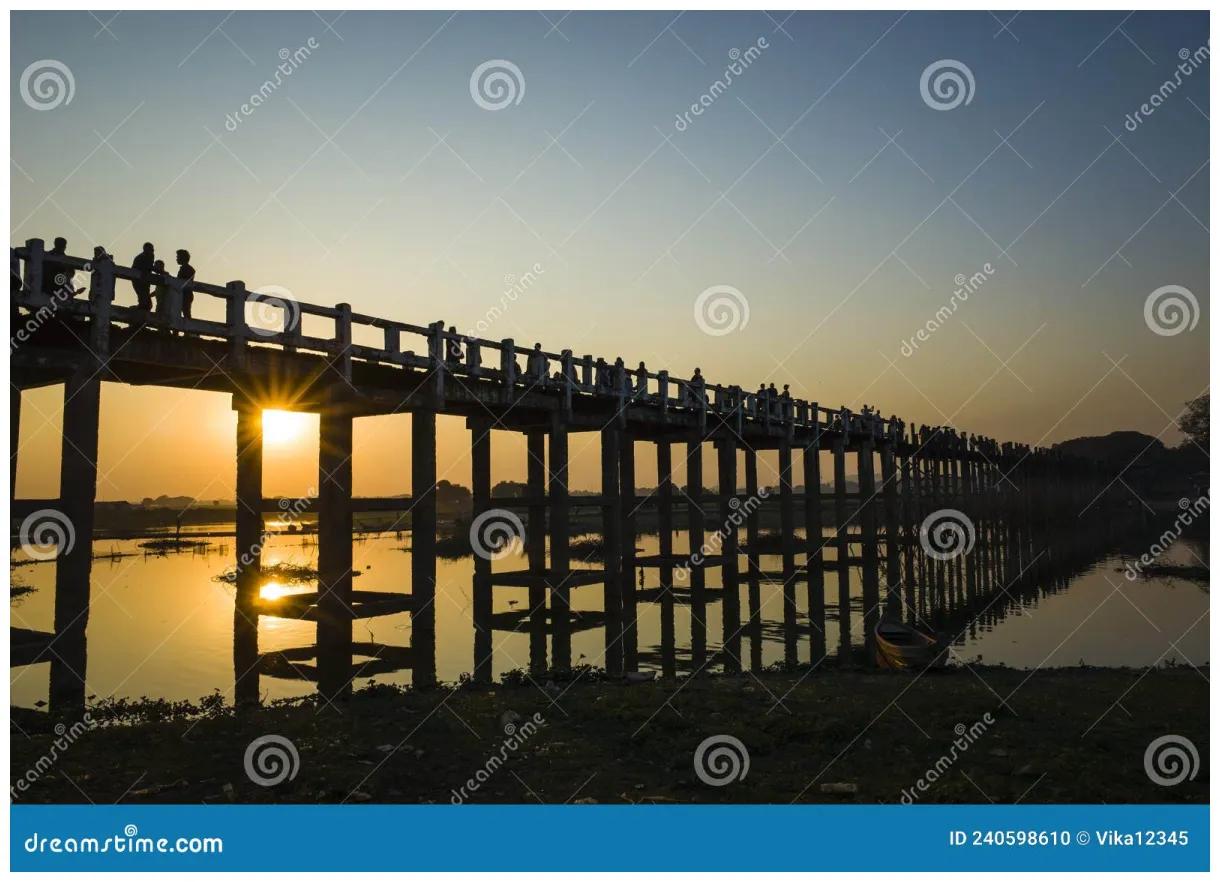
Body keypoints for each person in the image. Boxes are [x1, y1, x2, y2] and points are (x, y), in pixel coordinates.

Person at [131, 242, 155, 310]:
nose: (152, 251)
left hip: (140, 279)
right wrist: (160, 271)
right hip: (140, 279)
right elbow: (149, 266)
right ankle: (140, 309)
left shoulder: (143, 255)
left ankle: (140, 307)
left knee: (144, 299)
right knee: (145, 300)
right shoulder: (147, 255)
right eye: (151, 250)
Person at [175, 249, 195, 329]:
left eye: (178, 257)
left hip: (185, 294)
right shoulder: (188, 268)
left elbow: (182, 281)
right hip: (186, 294)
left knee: (184, 313)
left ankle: (188, 331)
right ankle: (188, 331)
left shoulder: (185, 268)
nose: (176, 259)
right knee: (185, 313)